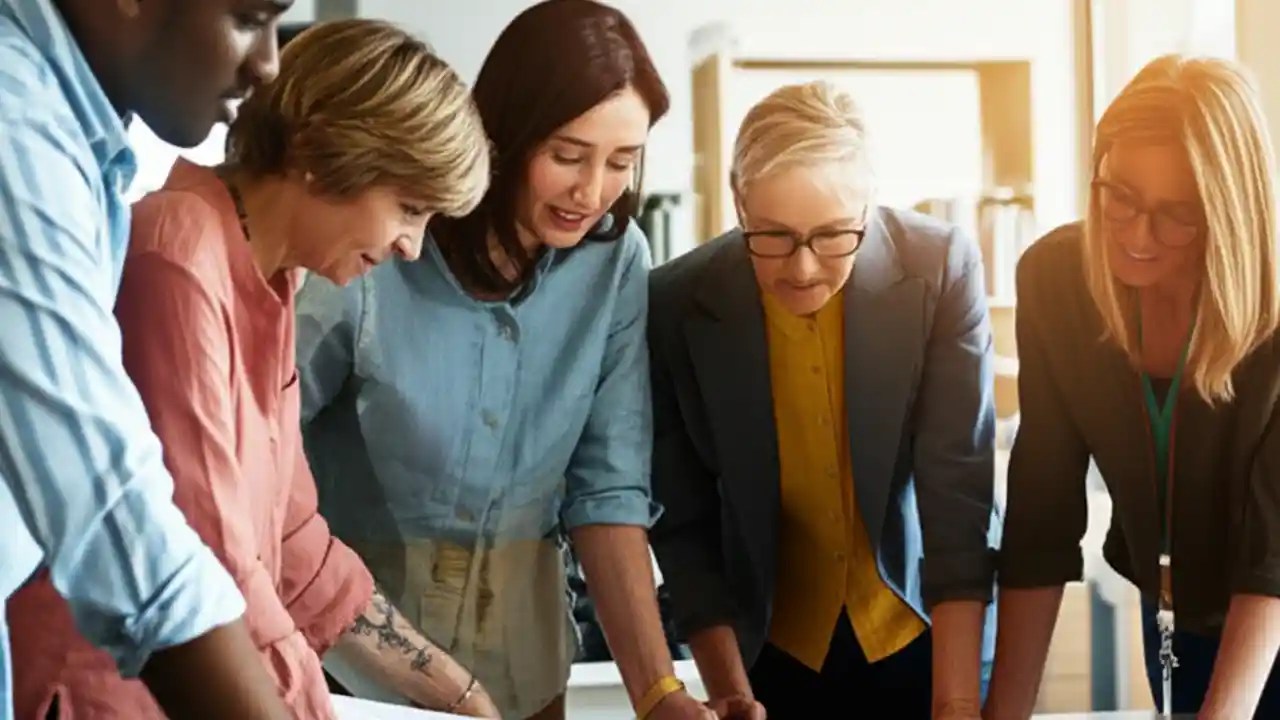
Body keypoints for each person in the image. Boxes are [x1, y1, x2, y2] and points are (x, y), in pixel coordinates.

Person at [6, 18, 501, 720]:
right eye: (410, 208)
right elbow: (222, 562)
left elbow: (295, 548)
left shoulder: (269, 281)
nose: (412, 246)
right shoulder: (177, 256)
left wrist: (461, 695)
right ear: (327, 154)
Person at [296, 2, 712, 718]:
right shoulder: (381, 245)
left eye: (622, 160)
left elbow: (606, 486)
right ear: (506, 135)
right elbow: (260, 461)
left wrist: (659, 692)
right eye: (567, 155)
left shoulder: (617, 262)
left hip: (525, 665)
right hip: (350, 660)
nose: (593, 191)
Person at [647, 81, 999, 720]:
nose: (803, 268)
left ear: (868, 206)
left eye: (835, 234)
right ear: (739, 205)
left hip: (922, 629)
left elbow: (960, 500)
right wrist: (730, 693)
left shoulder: (939, 268)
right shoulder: (676, 303)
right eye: (773, 236)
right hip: (763, 651)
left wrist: (954, 702)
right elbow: (684, 521)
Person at [0, 0, 298, 718]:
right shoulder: (17, 128)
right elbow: (116, 522)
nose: (268, 62)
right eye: (249, 14)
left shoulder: (75, 133)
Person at [985, 54, 1280, 719]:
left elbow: (1273, 558)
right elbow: (1042, 515)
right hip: (1172, 606)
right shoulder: (1059, 283)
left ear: (1226, 213)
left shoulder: (1273, 318)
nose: (1137, 237)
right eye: (1119, 195)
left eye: (1177, 213)